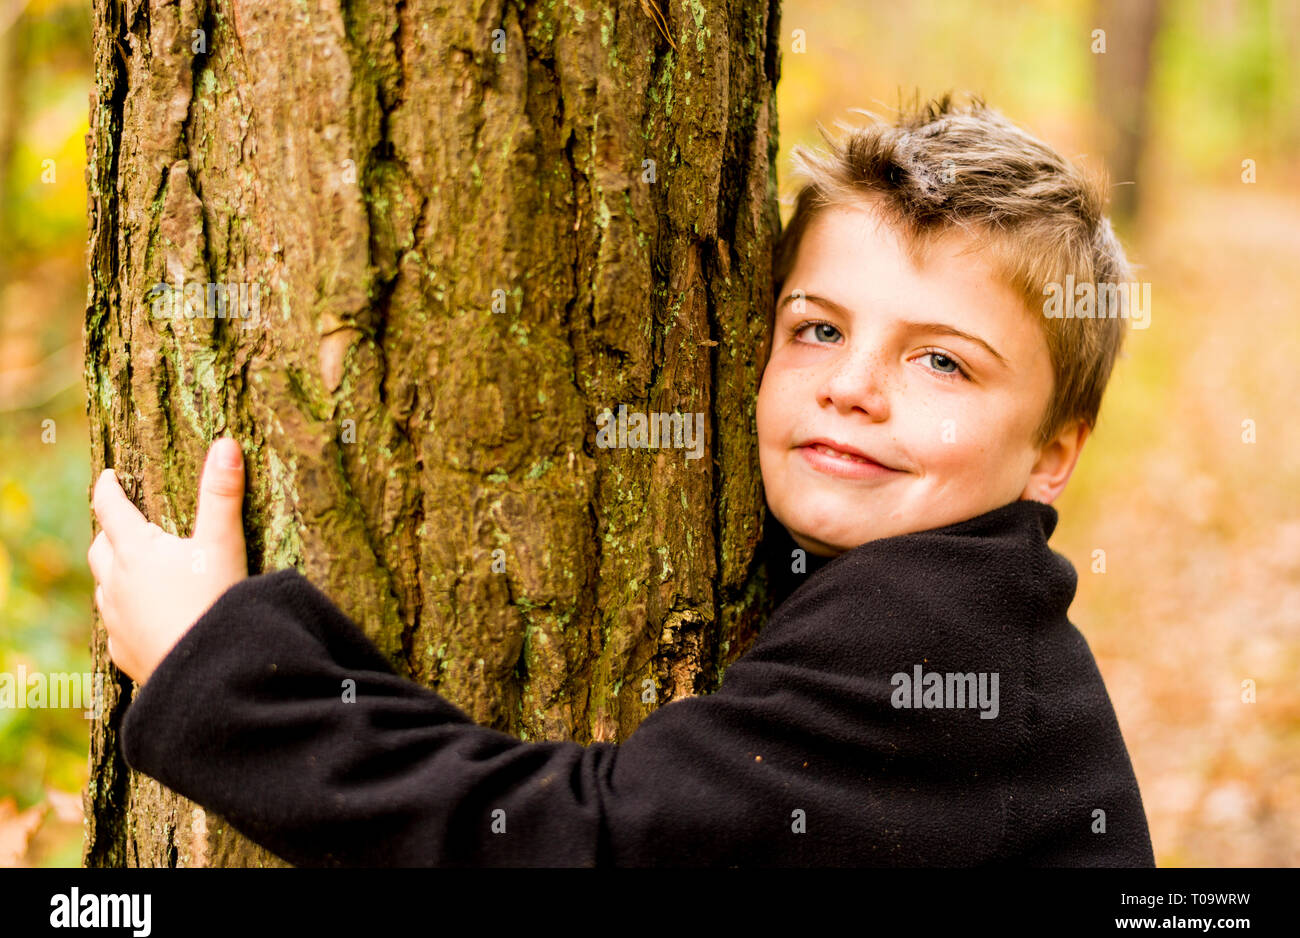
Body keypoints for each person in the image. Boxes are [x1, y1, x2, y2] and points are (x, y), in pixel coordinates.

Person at [87, 94, 1156, 867]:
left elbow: (587, 844)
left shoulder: (935, 631)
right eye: (818, 328)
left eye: (941, 361)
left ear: (1053, 450)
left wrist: (219, 672)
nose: (854, 389)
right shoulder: (948, 599)